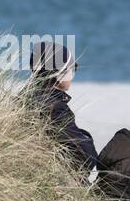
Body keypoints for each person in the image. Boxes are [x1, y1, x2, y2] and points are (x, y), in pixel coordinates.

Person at [28, 41, 98, 176]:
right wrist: (86, 137)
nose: (73, 73)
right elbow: (87, 155)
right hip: (57, 177)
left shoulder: (27, 97)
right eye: (72, 68)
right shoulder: (55, 108)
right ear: (59, 75)